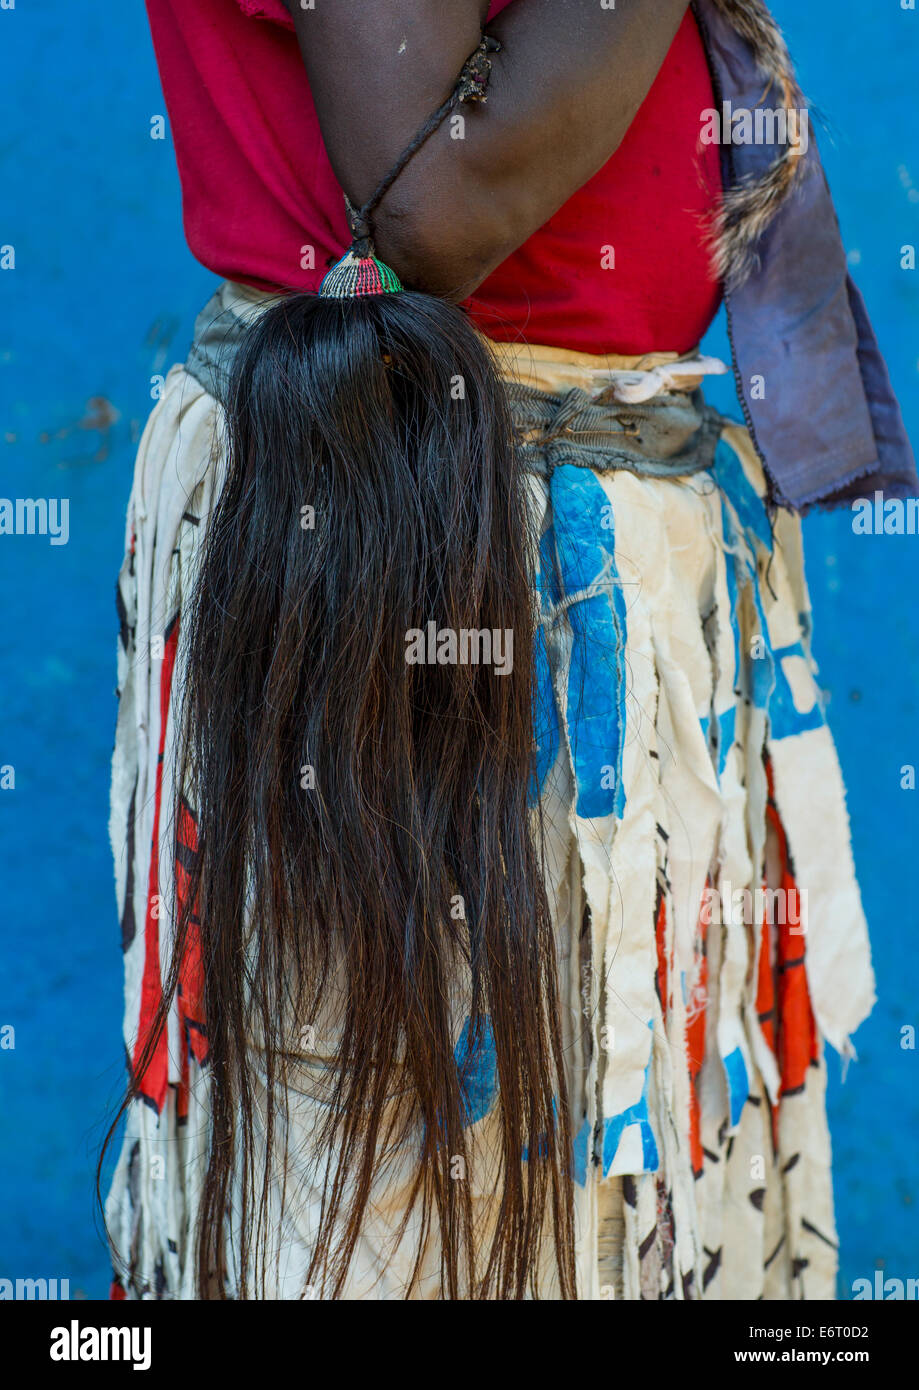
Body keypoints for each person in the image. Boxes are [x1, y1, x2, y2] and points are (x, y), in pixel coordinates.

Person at [103, 0, 916, 1301]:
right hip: (418, 515)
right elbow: (439, 192)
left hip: (554, 528)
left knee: (577, 1222)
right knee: (397, 1206)